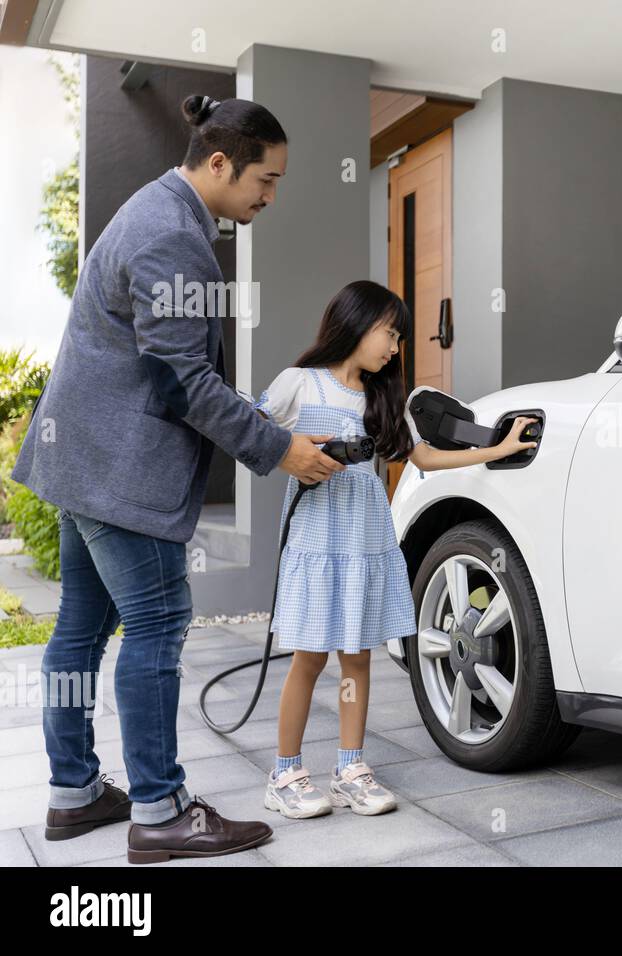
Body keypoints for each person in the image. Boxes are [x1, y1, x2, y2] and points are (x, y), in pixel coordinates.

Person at [10, 94, 345, 864]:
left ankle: (74, 793)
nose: (270, 195)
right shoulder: (172, 236)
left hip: (84, 462)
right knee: (156, 629)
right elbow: (180, 382)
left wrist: (265, 425)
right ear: (221, 162)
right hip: (122, 473)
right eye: (267, 179)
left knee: (79, 631)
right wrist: (279, 448)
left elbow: (168, 369)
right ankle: (160, 811)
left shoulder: (155, 211)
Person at [253, 279, 536, 819]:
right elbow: (253, 430)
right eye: (389, 333)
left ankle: (350, 768)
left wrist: (496, 449)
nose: (394, 346)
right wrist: (293, 451)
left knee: (356, 658)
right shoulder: (299, 384)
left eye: (399, 338)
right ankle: (285, 772)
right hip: (317, 542)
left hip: (363, 542)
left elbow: (422, 458)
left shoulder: (384, 397)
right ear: (355, 324)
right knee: (310, 657)